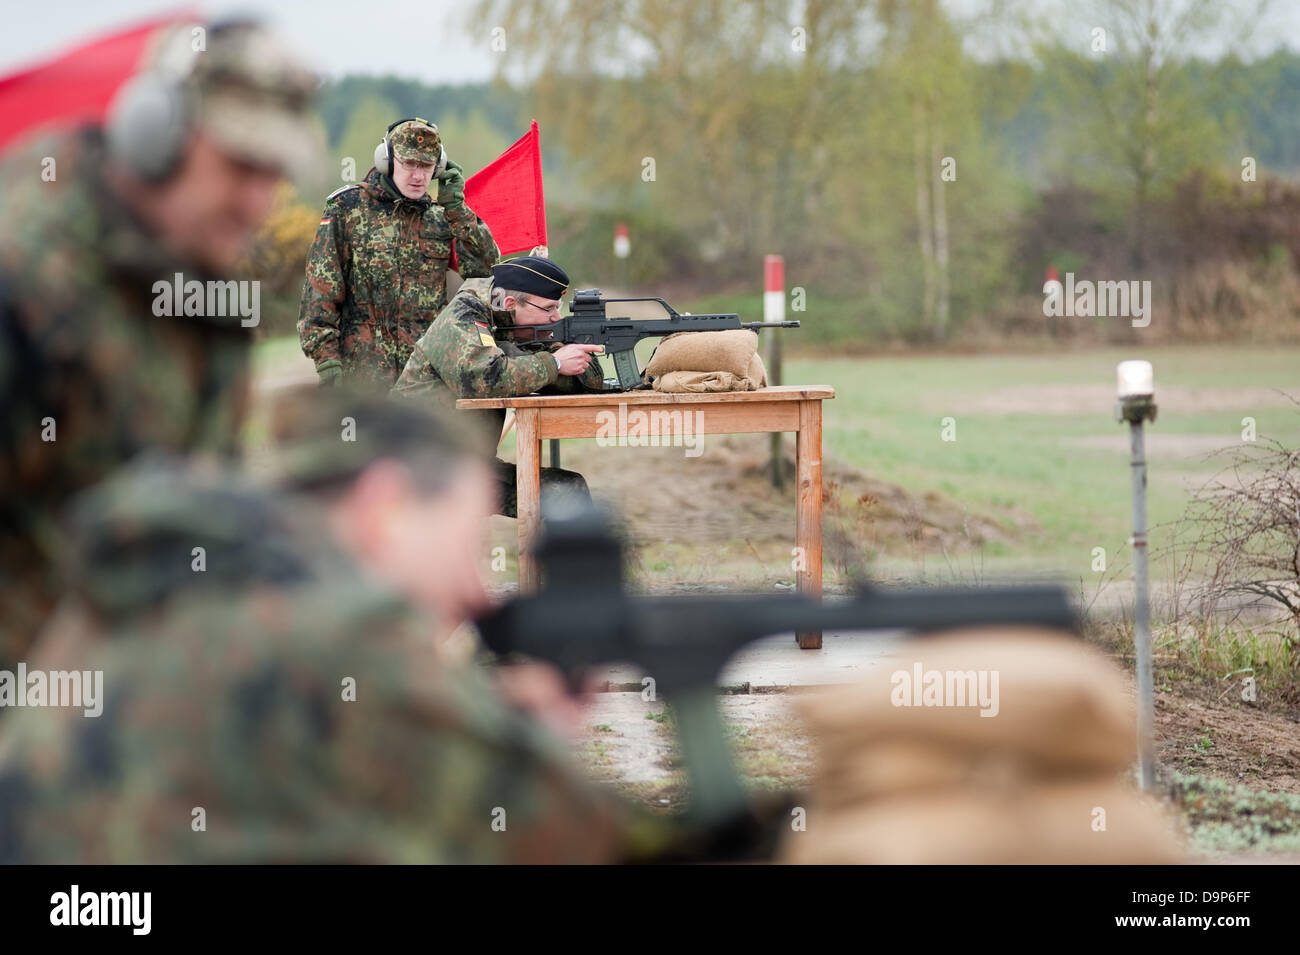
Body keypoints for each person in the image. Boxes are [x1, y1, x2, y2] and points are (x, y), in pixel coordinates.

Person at [0, 394, 669, 863]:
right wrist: (545, 737)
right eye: (464, 544)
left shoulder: (173, 580)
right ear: (385, 507)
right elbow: (575, 836)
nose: (476, 591)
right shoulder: (337, 627)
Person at [0, 18, 319, 675]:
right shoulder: (28, 277)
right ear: (157, 139)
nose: (259, 203)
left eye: (275, 174)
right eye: (240, 166)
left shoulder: (198, 276)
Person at [392, 254, 604, 518]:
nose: (555, 317)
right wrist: (554, 364)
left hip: (463, 465)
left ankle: (573, 560)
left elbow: (591, 381)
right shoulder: (465, 314)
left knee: (565, 490)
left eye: (558, 307)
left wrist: (569, 352)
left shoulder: (516, 324)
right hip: (415, 467)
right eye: (549, 308)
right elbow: (483, 378)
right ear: (510, 302)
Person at [297, 118, 500, 392]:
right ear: (388, 162)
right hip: (362, 375)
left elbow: (485, 270)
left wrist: (458, 210)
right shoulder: (347, 209)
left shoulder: (443, 218)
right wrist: (327, 362)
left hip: (426, 378)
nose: (418, 176)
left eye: (427, 166)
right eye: (410, 164)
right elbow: (320, 293)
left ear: (438, 168)